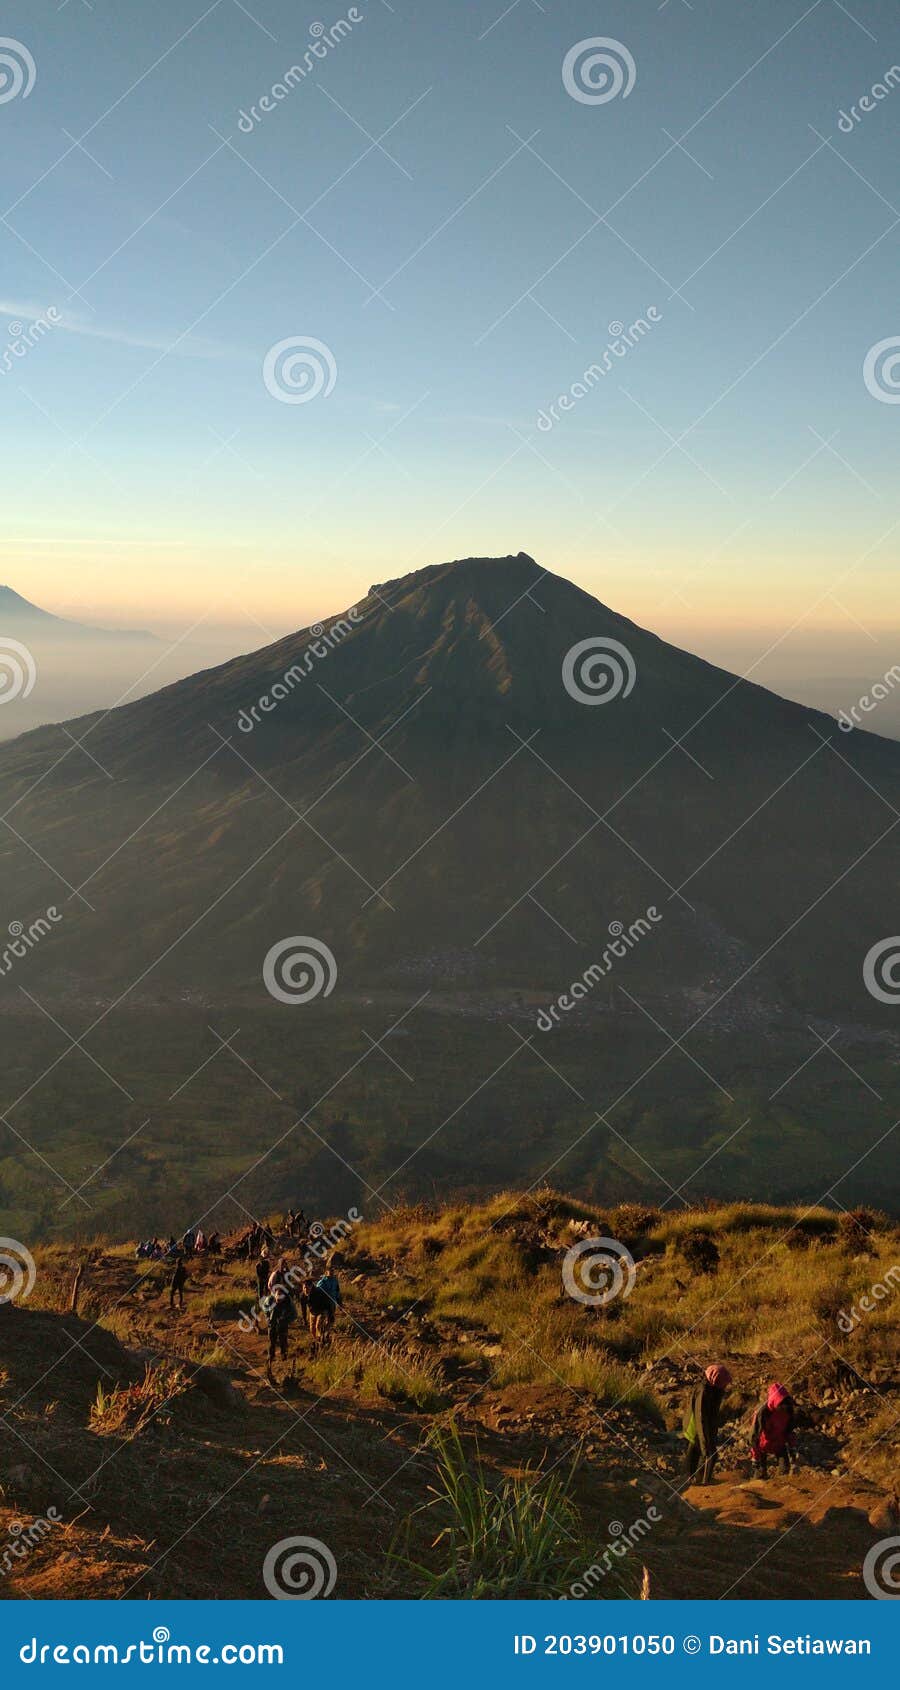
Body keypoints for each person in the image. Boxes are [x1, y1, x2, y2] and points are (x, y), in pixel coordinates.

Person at [684, 1363, 732, 1485]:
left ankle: (700, 1478)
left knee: (705, 1450)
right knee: (698, 1448)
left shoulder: (715, 1390)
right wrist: (705, 1441)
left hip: (706, 1424)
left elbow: (711, 1414)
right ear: (715, 1379)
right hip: (695, 1425)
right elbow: (700, 1417)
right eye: (723, 1383)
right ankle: (692, 1479)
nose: (725, 1386)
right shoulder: (703, 1391)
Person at [750, 1382, 797, 1478]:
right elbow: (754, 1436)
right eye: (780, 1405)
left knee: (784, 1471)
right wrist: (755, 1457)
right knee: (760, 1474)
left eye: (784, 1405)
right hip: (763, 1445)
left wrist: (792, 1448)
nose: (782, 1408)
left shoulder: (788, 1410)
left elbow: (789, 1431)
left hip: (780, 1444)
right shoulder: (762, 1412)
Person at [266, 1284, 295, 1375]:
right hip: (272, 1323)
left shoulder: (289, 1302)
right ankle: (271, 1357)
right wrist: (267, 1318)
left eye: (281, 1296)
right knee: (272, 1341)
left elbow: (294, 1315)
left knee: (283, 1340)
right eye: (277, 1295)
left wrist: (286, 1320)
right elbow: (265, 1308)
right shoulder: (270, 1300)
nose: (279, 1298)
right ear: (275, 1294)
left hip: (283, 1324)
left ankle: (284, 1356)